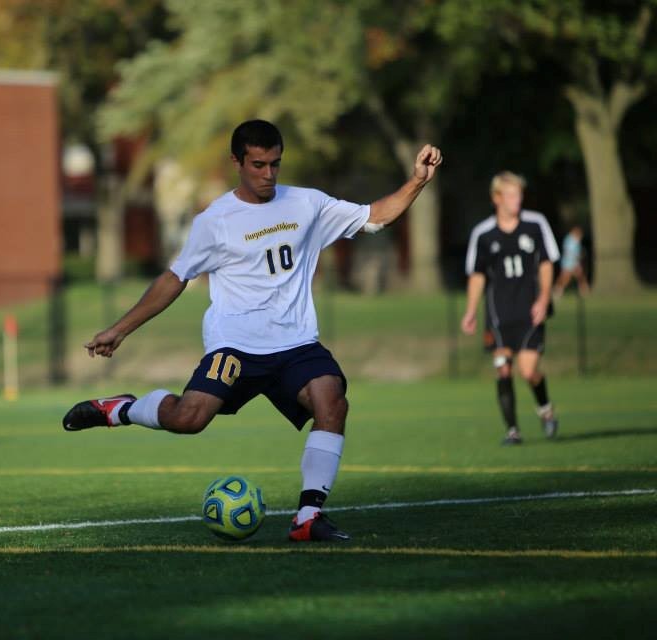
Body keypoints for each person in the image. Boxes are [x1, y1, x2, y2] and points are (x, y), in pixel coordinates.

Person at [63, 120, 442, 542]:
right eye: (258, 165)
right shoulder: (216, 221)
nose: (268, 174)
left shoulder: (307, 204)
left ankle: (308, 518)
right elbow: (174, 278)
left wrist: (417, 181)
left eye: (275, 164)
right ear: (236, 162)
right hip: (236, 347)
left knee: (332, 401)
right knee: (189, 419)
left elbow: (375, 217)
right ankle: (122, 410)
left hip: (296, 343)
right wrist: (120, 329)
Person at [460, 172, 560, 445]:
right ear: (497, 198)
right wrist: (470, 311)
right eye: (511, 195)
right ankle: (512, 430)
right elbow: (478, 275)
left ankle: (546, 410)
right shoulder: (483, 234)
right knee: (503, 367)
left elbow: (547, 263)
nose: (518, 200)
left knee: (529, 372)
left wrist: (544, 299)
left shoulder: (535, 224)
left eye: (519, 194)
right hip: (498, 314)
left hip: (530, 311)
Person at [554, 225, 590, 297]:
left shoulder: (576, 240)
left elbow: (577, 251)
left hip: (575, 262)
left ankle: (585, 291)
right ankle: (557, 290)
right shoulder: (569, 240)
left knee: (581, 276)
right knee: (565, 278)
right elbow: (568, 251)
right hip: (569, 262)